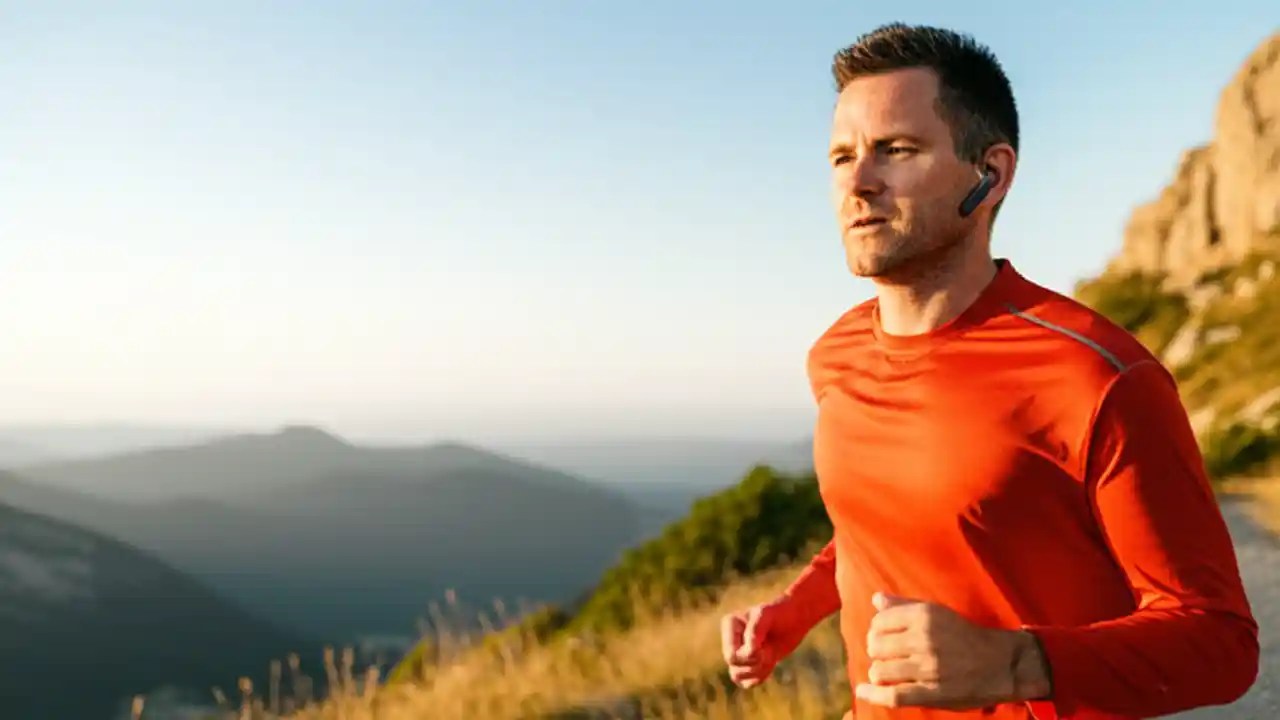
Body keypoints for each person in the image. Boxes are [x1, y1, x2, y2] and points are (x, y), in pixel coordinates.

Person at [719, 22, 1259, 720]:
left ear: (991, 173)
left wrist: (1016, 664)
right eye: (841, 156)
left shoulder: (1099, 376)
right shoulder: (836, 353)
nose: (858, 182)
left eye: (897, 150)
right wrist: (794, 612)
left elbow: (1221, 644)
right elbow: (879, 524)